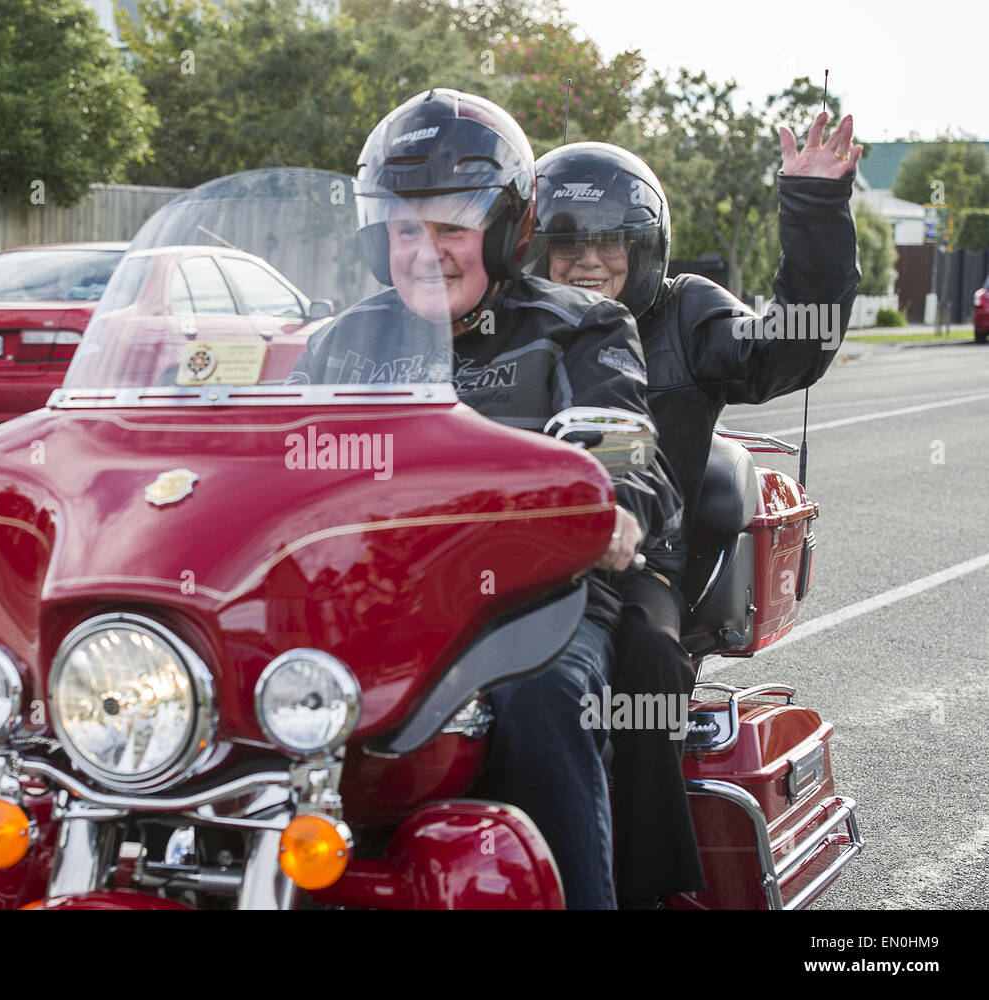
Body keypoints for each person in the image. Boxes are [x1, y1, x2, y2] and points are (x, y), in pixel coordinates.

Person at [288, 88, 683, 909]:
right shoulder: (341, 345)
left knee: (544, 699)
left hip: (534, 609)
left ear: (509, 230)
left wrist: (608, 504)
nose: (424, 251)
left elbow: (623, 443)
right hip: (365, 608)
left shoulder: (581, 327)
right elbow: (278, 459)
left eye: (449, 228)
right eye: (404, 229)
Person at [529, 114, 862, 906]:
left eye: (611, 244)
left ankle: (644, 889)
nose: (589, 263)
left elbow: (788, 346)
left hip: (640, 566)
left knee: (644, 672)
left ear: (644, 249)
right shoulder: (508, 320)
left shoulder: (684, 314)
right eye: (570, 244)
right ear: (534, 247)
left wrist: (813, 204)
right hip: (506, 560)